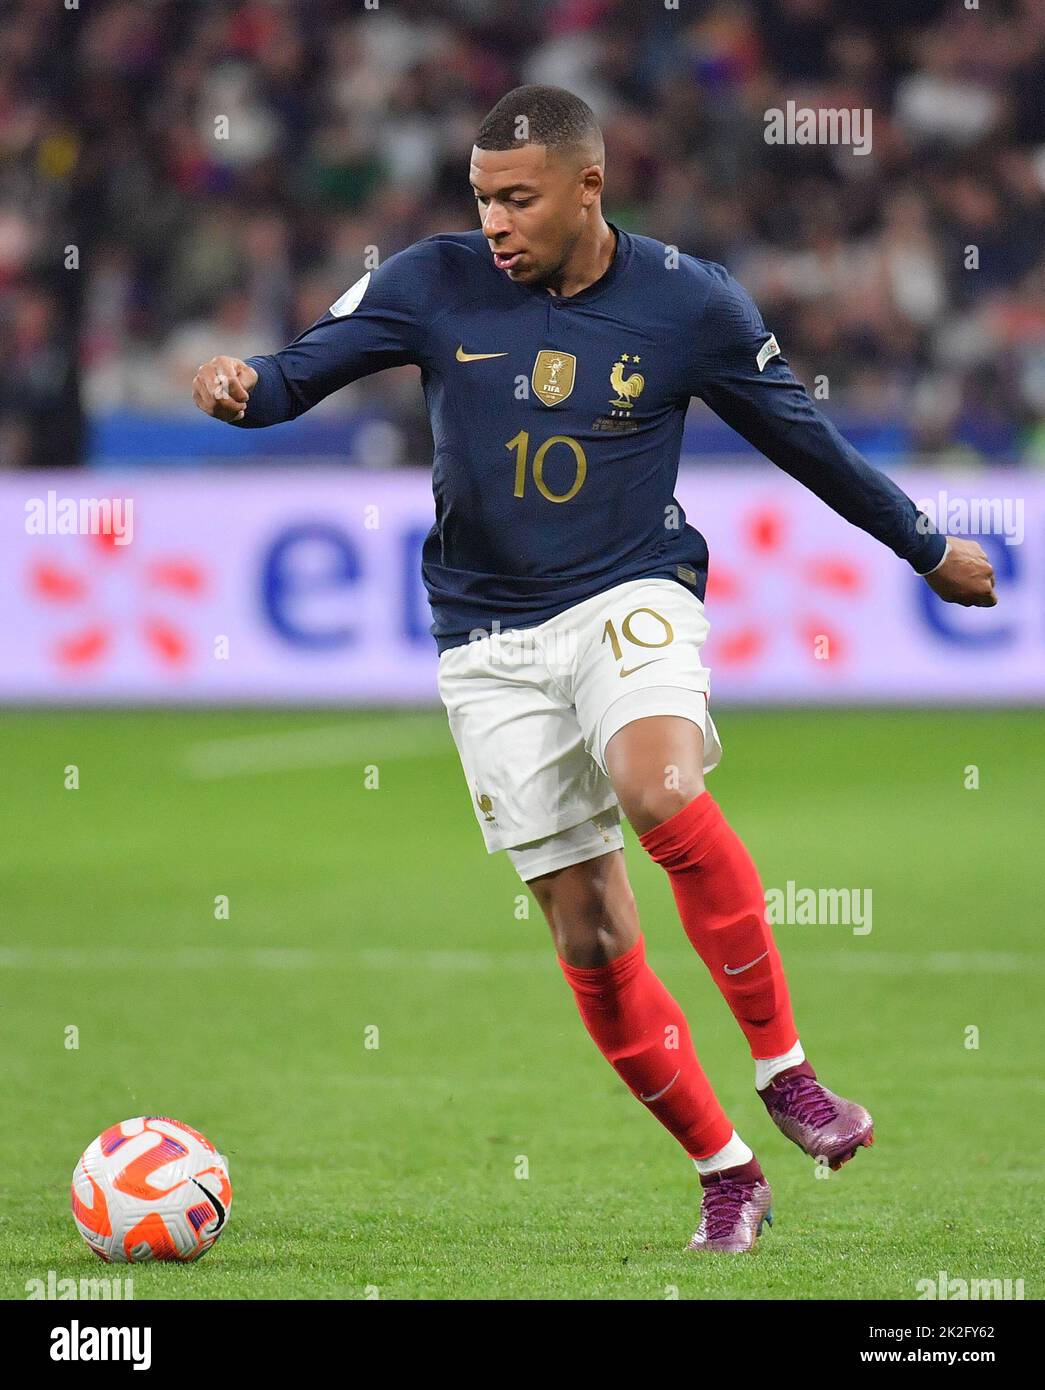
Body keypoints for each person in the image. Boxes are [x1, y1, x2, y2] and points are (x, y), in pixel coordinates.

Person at [192, 85, 996, 1253]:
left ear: (588, 187)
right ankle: (725, 1170)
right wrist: (236, 386)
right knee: (587, 930)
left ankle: (786, 1073)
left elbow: (802, 439)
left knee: (659, 784)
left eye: (517, 198)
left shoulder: (688, 303)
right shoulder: (430, 279)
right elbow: (290, 375)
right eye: (482, 198)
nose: (496, 221)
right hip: (486, 639)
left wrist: (923, 545)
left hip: (630, 588)